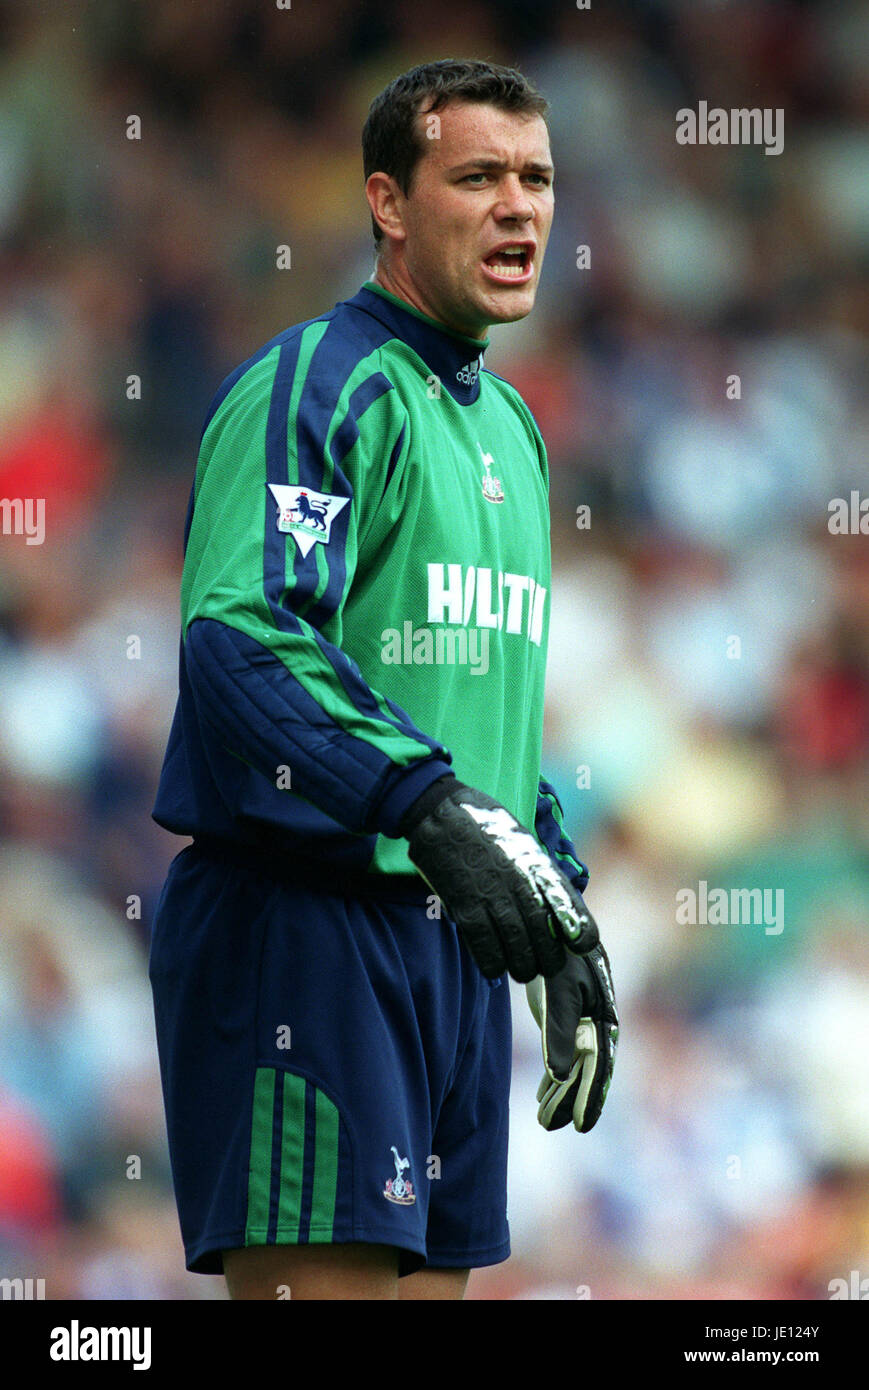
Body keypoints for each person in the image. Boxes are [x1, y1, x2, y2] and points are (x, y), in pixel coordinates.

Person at [148, 58, 617, 1302]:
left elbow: (485, 712)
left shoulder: (510, 427)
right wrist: (425, 806)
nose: (519, 207)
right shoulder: (321, 381)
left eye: (536, 179)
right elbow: (241, 634)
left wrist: (553, 903)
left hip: (444, 947)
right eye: (477, 176)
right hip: (304, 925)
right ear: (387, 203)